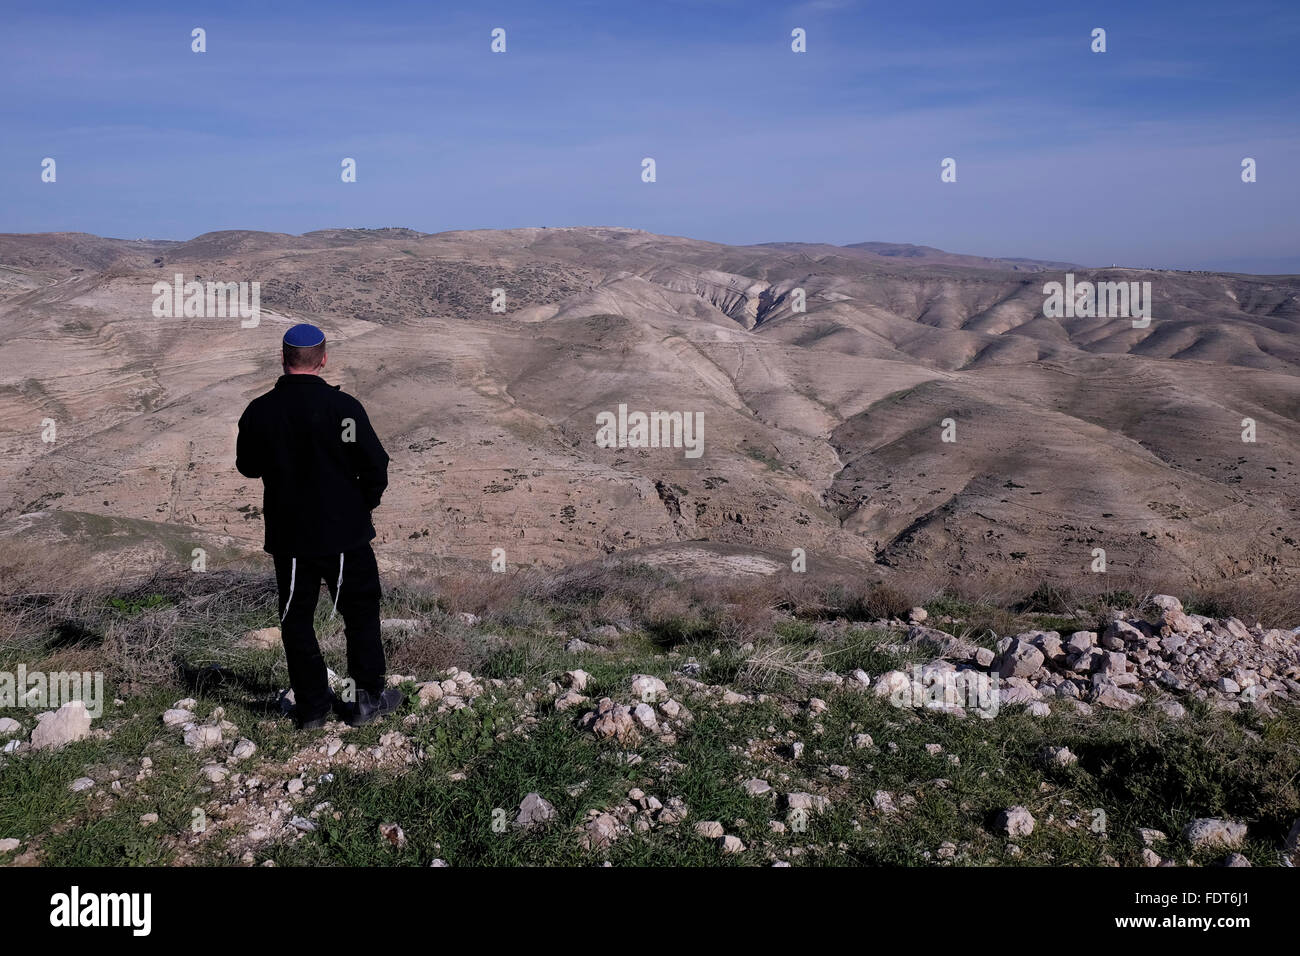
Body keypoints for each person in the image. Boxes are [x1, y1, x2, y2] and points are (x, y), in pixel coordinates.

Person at [235, 323, 402, 728]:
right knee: (359, 613)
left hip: (290, 537)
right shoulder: (344, 409)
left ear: (283, 359)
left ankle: (312, 708)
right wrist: (362, 507)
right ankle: (364, 701)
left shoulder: (261, 410)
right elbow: (376, 465)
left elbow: (247, 466)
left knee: (296, 619)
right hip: (345, 533)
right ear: (323, 359)